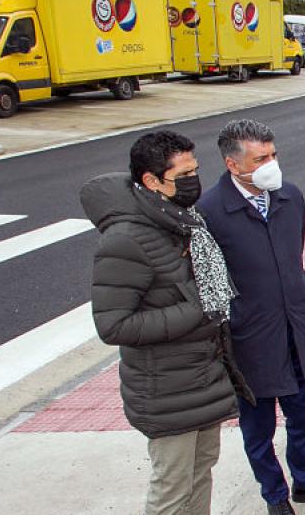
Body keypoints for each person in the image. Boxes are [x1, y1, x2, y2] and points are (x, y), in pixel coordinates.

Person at [80, 130, 250, 515]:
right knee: (171, 491)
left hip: (203, 375)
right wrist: (200, 307)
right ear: (151, 181)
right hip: (167, 390)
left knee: (201, 471)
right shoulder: (126, 239)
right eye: (183, 174)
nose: (193, 181)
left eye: (195, 170)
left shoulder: (183, 220)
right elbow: (114, 326)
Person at [197, 120, 305, 515]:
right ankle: (275, 495)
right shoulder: (210, 212)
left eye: (273, 154)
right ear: (233, 165)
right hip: (250, 337)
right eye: (261, 158)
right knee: (258, 428)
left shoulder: (290, 197)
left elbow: (292, 255)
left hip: (296, 328)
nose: (272, 164)